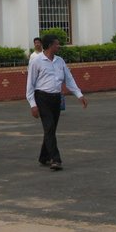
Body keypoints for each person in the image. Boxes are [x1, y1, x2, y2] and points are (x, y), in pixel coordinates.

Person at [26, 34, 88, 171]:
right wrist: (33, 104)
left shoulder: (60, 61)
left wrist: (79, 94)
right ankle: (55, 159)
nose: (58, 46)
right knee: (49, 128)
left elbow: (69, 79)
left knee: (51, 129)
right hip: (42, 97)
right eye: (56, 44)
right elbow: (30, 84)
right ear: (49, 46)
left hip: (56, 98)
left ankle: (44, 156)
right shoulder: (36, 61)